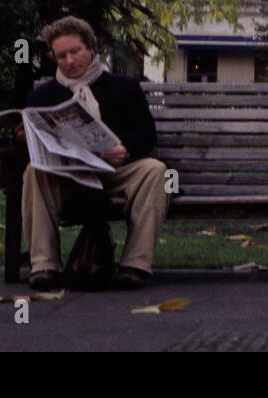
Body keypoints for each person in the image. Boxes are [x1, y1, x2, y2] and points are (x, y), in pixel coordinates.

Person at [19, 16, 169, 291]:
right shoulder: (43, 97)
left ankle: (134, 265)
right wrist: (23, 137)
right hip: (67, 177)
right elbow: (32, 148)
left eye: (75, 51)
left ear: (90, 47)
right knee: (33, 171)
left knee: (156, 170)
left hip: (114, 172)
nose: (69, 61)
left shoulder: (123, 87)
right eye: (61, 55)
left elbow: (146, 133)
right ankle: (44, 266)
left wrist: (125, 149)